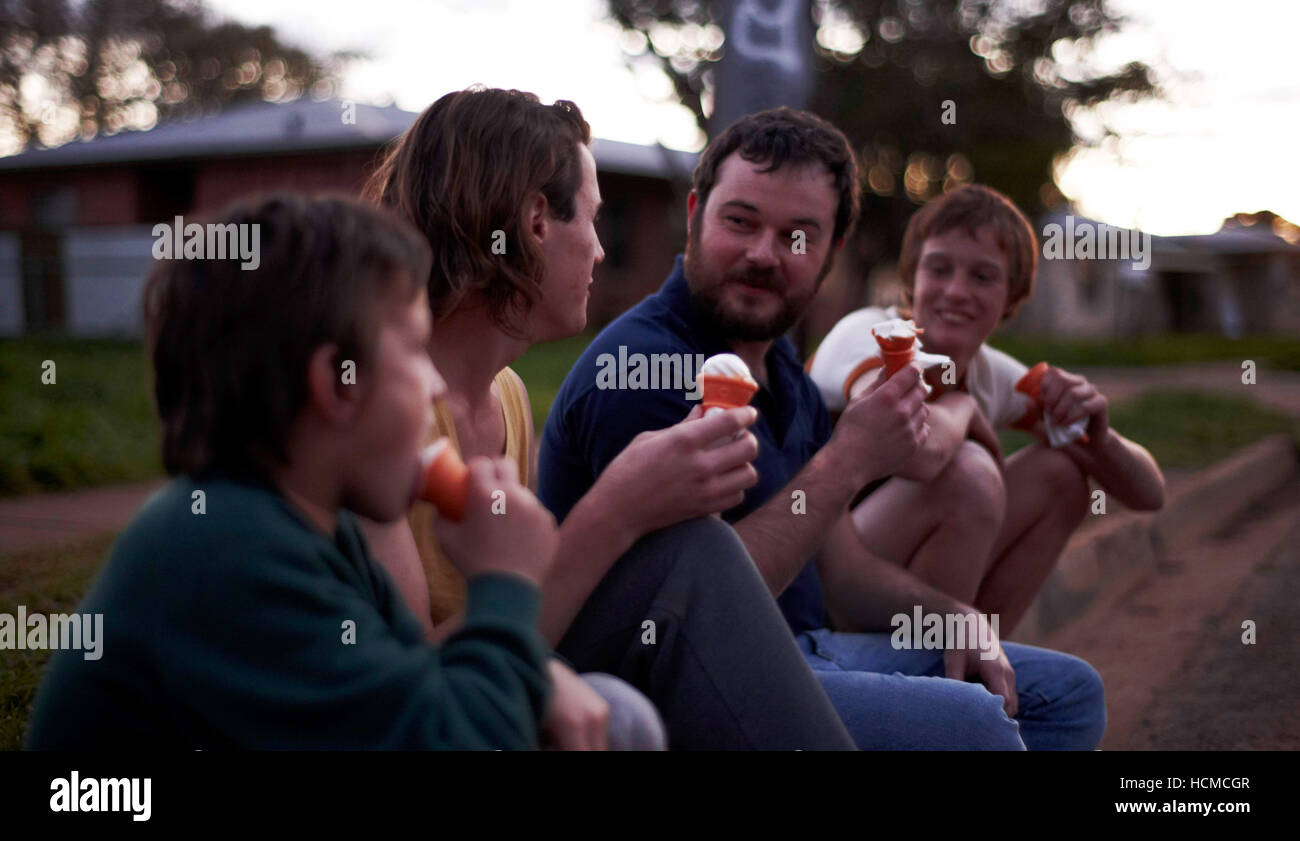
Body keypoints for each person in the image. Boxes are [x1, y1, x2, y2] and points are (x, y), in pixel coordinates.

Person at [539, 107, 1108, 749]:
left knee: (1067, 695)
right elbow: (688, 610)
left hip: (808, 647)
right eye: (740, 222)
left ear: (833, 251)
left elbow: (842, 574)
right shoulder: (644, 368)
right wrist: (849, 461)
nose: (763, 254)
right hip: (683, 685)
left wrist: (958, 618)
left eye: (798, 236)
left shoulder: (786, 372)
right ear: (695, 215)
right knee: (976, 725)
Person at [364, 86, 854, 750]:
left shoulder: (506, 394)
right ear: (536, 222)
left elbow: (521, 620)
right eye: (593, 220)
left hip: (521, 698)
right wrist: (618, 507)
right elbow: (415, 695)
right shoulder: (375, 420)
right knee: (692, 553)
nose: (600, 251)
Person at [26, 194, 560, 749]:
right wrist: (506, 583)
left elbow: (412, 684)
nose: (436, 386)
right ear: (336, 382)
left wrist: (542, 680)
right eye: (416, 350)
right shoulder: (228, 550)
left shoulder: (323, 530)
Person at [809, 184, 1165, 634]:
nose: (957, 291)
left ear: (1011, 298)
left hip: (890, 573)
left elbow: (1150, 495)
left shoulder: (990, 373)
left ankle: (981, 653)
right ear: (912, 279)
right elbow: (916, 453)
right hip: (818, 575)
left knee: (1060, 474)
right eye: (939, 268)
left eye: (982, 277)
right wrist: (961, 407)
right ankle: (929, 665)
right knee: (969, 473)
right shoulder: (870, 334)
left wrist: (1100, 438)